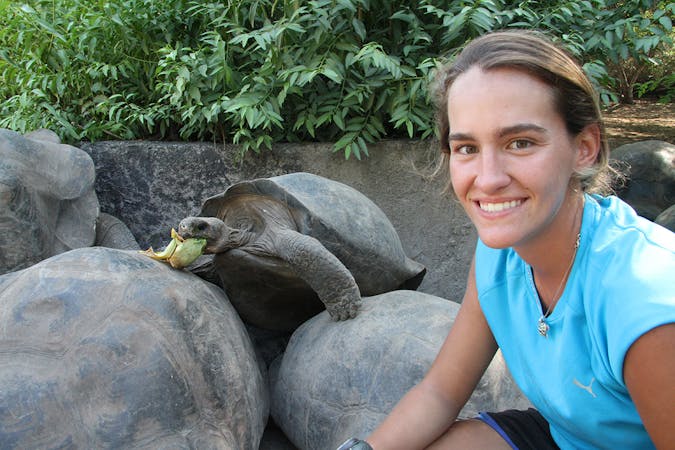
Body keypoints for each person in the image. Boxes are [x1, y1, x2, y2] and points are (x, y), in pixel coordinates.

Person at [336, 30, 675, 450]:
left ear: (584, 148)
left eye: (520, 143)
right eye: (466, 148)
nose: (489, 178)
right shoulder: (501, 256)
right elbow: (440, 392)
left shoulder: (645, 305)